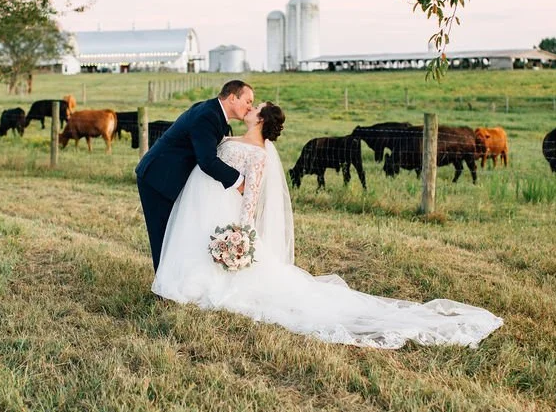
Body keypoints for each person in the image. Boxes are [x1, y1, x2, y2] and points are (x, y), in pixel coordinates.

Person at [152, 102, 504, 349]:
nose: (250, 109)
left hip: (232, 225)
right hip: (211, 211)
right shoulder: (232, 140)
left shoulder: (259, 155)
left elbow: (252, 197)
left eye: (255, 108)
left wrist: (240, 237)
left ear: (260, 120)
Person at [136, 80, 255, 271]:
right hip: (157, 177)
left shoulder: (213, 112)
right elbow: (207, 161)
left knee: (175, 232)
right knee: (163, 234)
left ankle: (172, 279)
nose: (250, 107)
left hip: (170, 176)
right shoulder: (208, 116)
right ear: (233, 98)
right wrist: (240, 181)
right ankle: (163, 288)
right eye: (248, 101)